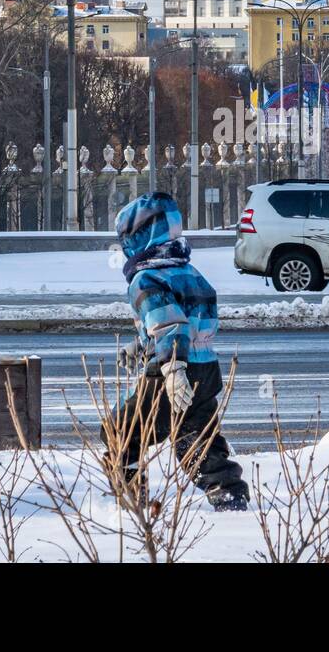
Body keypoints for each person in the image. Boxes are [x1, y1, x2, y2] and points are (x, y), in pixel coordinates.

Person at [105, 192, 250, 512]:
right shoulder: (189, 272)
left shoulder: (146, 278)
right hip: (205, 367)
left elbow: (169, 325)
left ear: (142, 236)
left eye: (127, 238)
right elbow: (190, 321)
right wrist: (144, 344)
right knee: (196, 439)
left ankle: (133, 501)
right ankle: (228, 493)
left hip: (170, 374)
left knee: (119, 431)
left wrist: (172, 367)